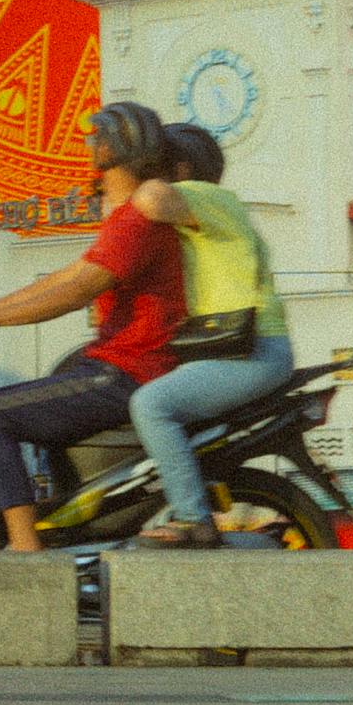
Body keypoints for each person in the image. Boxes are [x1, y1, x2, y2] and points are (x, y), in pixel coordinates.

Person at [0, 98, 190, 547]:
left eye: (95, 137)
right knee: (49, 387)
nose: (89, 146)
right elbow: (66, 277)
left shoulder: (136, 220)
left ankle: (25, 550)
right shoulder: (130, 216)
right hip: (124, 363)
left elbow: (78, 287)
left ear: (112, 149)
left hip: (127, 370)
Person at [124, 116, 295, 541]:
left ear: (180, 168)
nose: (150, 173)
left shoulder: (207, 197)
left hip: (249, 353)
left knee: (151, 406)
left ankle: (193, 518)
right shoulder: (207, 212)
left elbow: (150, 200)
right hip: (232, 352)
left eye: (157, 164)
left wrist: (130, 171)